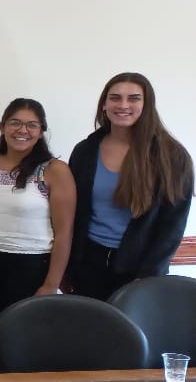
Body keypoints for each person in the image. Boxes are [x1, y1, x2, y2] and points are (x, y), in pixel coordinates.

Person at [66, 72, 193, 300]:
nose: (123, 105)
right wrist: (67, 268)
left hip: (139, 270)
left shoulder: (172, 156)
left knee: (129, 324)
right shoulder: (85, 151)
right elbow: (72, 213)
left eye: (133, 98)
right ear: (104, 104)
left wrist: (148, 276)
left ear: (147, 105)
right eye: (115, 98)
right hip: (87, 264)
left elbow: (172, 226)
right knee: (90, 322)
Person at [0, 99, 75, 331]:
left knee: (23, 338)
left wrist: (51, 284)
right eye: (15, 123)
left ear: (41, 131)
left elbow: (65, 232)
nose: (22, 130)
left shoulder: (55, 170)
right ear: (2, 127)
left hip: (30, 269)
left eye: (32, 125)